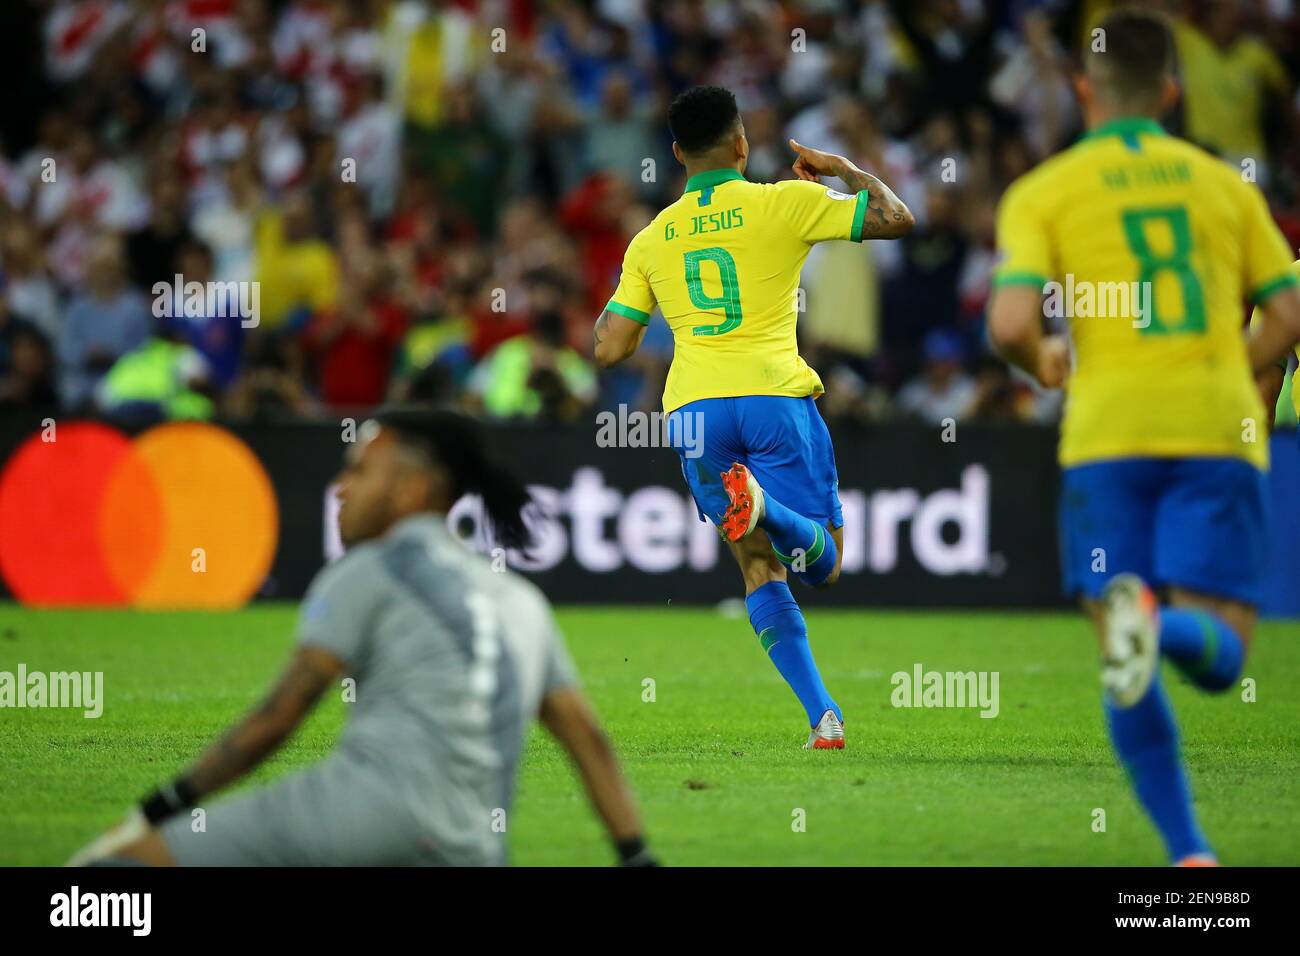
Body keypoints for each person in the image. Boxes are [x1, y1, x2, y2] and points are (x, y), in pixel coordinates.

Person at [69, 406, 655, 867]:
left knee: (110, 881)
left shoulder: (369, 572)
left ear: (412, 491)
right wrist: (637, 856)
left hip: (363, 815)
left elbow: (276, 720)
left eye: (358, 470)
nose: (340, 486)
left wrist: (162, 807)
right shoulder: (524, 601)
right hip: (475, 848)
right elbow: (589, 740)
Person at [987, 8, 1300, 865]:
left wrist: (1045, 358)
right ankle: (1164, 631)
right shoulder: (1224, 185)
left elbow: (1011, 319)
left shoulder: (1043, 191)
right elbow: (1288, 311)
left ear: (1085, 91)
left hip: (1104, 436)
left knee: (1120, 653)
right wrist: (1232, 366)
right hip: (1214, 426)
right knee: (1226, 654)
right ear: (1169, 93)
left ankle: (1189, 853)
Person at [592, 85, 914, 749]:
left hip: (694, 412)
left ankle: (824, 716)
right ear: (742, 143)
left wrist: (622, 300)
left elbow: (611, 347)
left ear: (678, 154)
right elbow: (895, 218)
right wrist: (847, 173)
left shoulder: (651, 239)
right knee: (824, 565)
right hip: (773, 396)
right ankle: (765, 507)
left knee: (756, 569)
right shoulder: (785, 202)